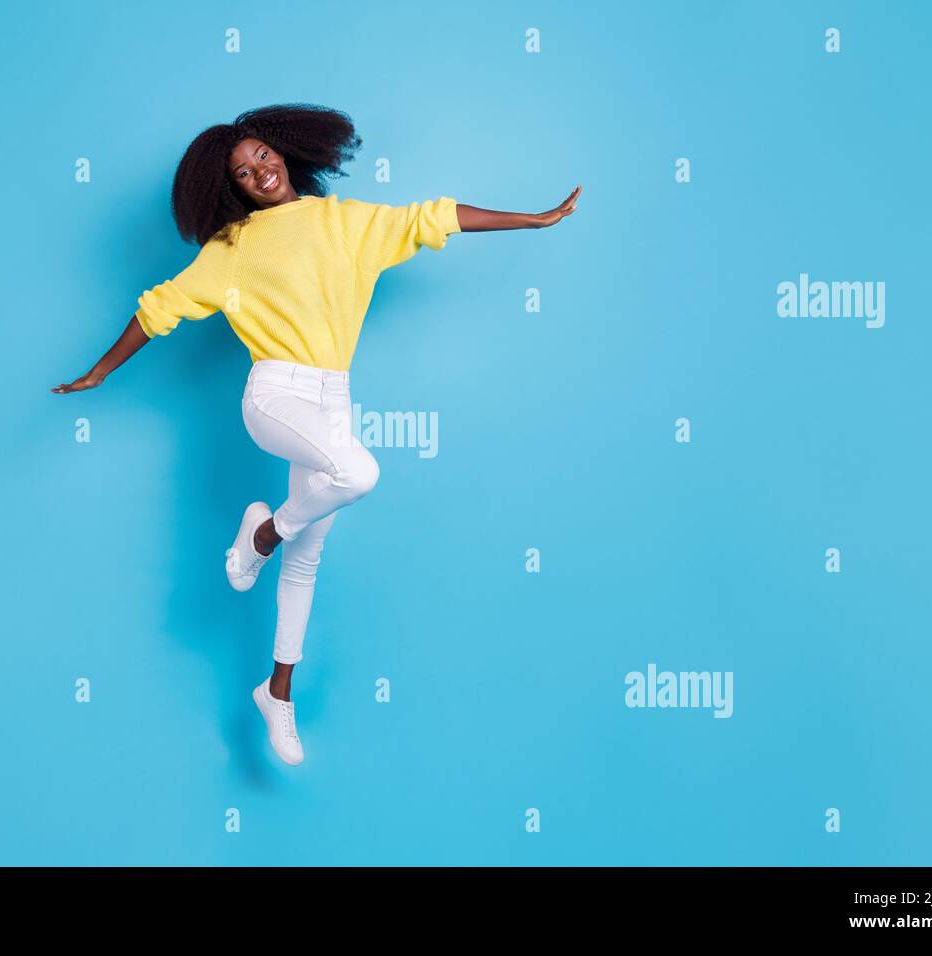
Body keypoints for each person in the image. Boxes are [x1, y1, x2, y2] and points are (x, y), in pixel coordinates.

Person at [53, 103, 580, 765]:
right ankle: (262, 533)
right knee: (358, 475)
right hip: (275, 396)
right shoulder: (232, 249)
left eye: (263, 158)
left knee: (307, 559)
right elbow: (159, 308)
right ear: (233, 189)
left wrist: (532, 218)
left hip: (335, 398)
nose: (259, 173)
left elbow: (434, 217)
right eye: (243, 173)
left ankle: (278, 693)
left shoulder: (348, 223)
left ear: (285, 154)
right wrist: (99, 371)